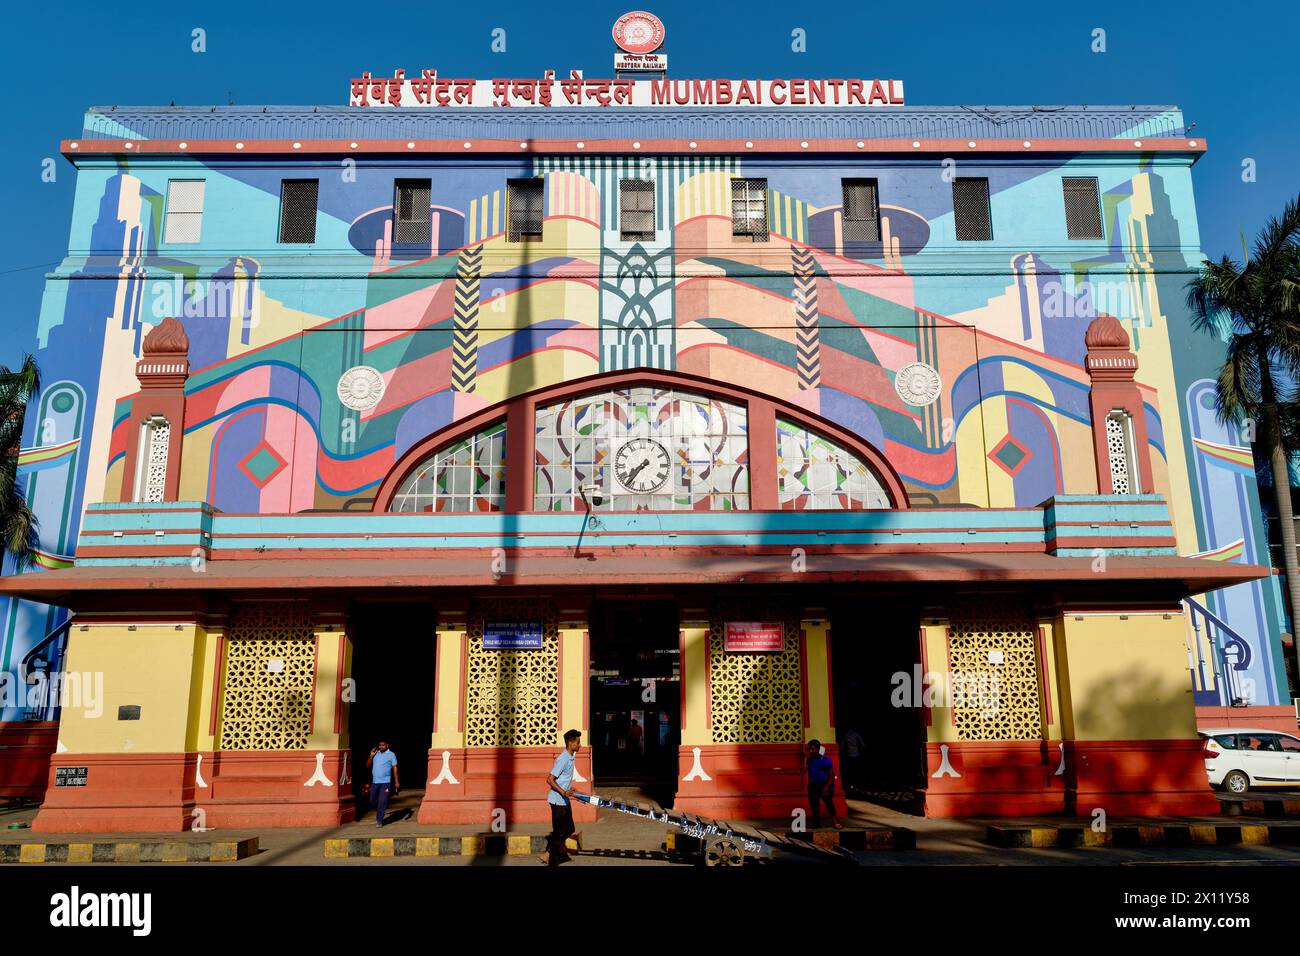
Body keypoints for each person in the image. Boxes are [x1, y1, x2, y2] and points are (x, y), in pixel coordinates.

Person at [541, 729, 584, 866]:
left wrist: (569, 790)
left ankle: (550, 854)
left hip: (563, 799)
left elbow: (563, 780)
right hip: (557, 800)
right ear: (571, 743)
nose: (580, 745)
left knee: (569, 828)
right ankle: (549, 856)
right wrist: (563, 792)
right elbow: (550, 779)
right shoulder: (563, 759)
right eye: (578, 742)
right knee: (560, 831)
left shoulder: (570, 757)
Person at [805, 739, 841, 830]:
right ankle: (816, 824)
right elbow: (804, 771)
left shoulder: (825, 760)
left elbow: (832, 776)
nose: (811, 751)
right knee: (814, 805)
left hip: (824, 785)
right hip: (812, 785)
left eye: (813, 749)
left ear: (818, 748)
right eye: (810, 749)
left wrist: (826, 787)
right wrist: (805, 757)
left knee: (829, 803)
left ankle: (835, 822)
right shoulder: (809, 760)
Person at [365, 740, 399, 827]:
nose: (381, 747)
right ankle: (381, 811)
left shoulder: (391, 754)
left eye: (383, 745)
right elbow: (367, 765)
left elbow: (394, 768)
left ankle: (379, 821)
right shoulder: (375, 754)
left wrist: (396, 781)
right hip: (375, 782)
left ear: (387, 745)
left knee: (382, 801)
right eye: (379, 745)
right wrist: (371, 755)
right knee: (372, 801)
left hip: (386, 782)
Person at [839, 727, 865, 795]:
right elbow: (862, 744)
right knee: (857, 771)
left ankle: (851, 785)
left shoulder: (846, 735)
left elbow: (842, 747)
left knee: (850, 771)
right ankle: (857, 785)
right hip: (856, 754)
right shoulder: (856, 734)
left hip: (849, 755)